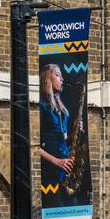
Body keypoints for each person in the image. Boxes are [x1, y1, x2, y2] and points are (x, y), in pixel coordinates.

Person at [38, 63, 80, 200]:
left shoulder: (61, 108)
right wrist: (57, 161)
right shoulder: (41, 106)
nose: (62, 79)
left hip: (64, 170)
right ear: (47, 78)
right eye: (57, 75)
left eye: (62, 76)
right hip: (50, 171)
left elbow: (65, 139)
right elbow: (32, 145)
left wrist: (76, 130)